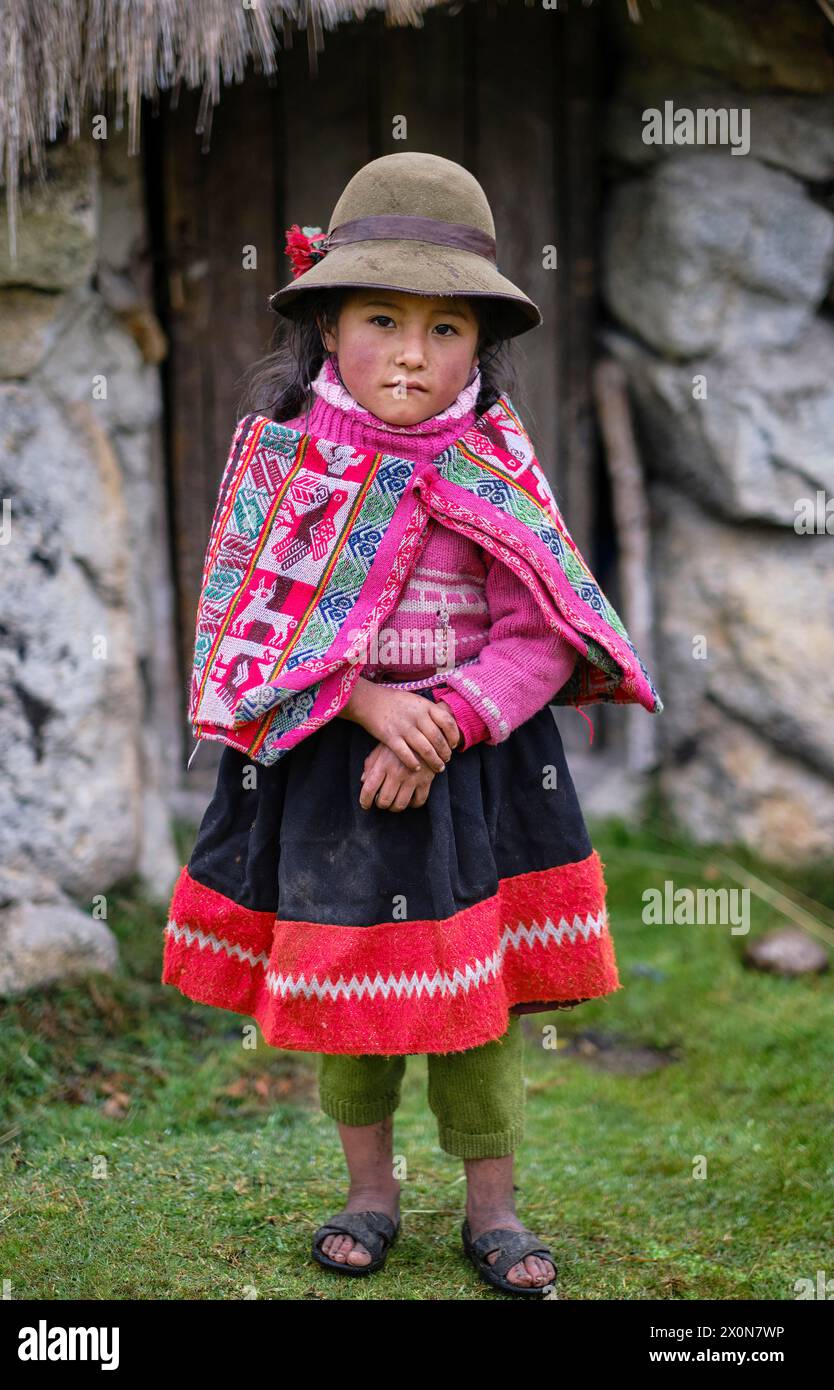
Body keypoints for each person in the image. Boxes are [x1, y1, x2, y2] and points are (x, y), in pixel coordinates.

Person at [162, 152, 662, 1295]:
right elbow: (246, 624)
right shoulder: (279, 457)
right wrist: (368, 703)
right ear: (326, 323)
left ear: (478, 346)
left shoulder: (493, 459)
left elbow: (549, 626)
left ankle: (493, 1209)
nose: (410, 352)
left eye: (445, 330)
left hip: (480, 770)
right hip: (330, 764)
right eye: (381, 318)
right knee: (355, 987)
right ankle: (367, 1194)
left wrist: (452, 715)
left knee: (475, 1002)